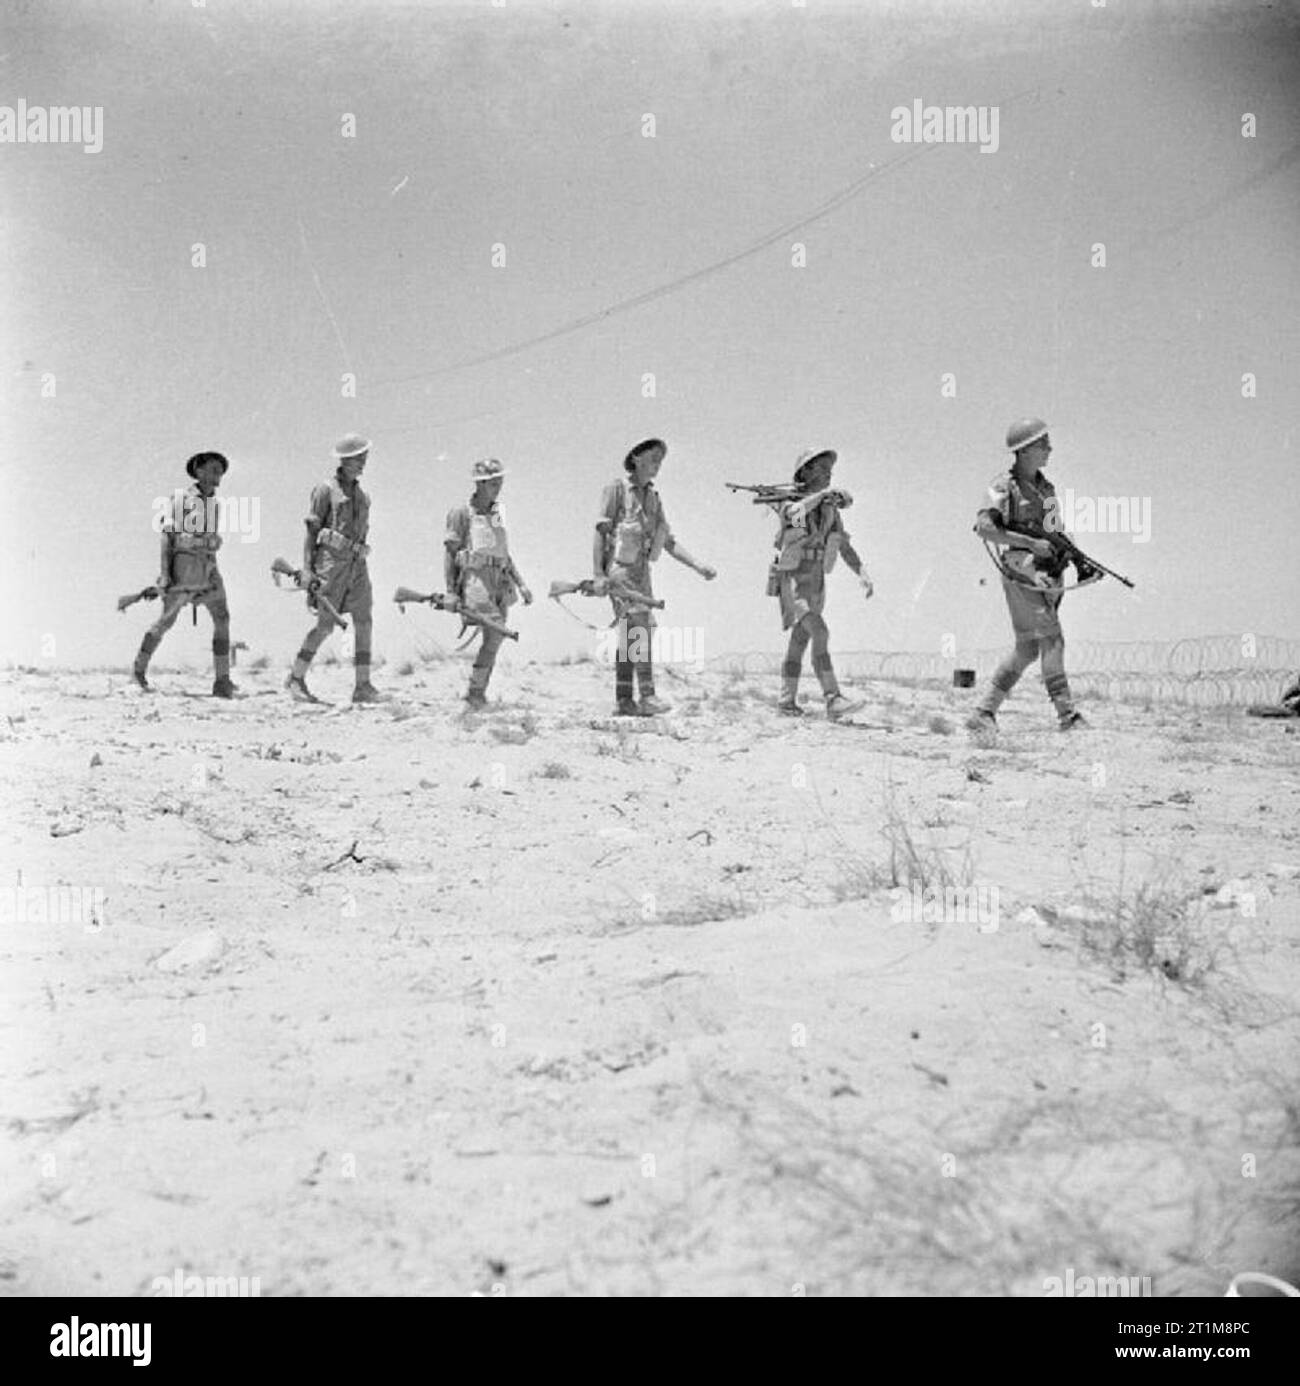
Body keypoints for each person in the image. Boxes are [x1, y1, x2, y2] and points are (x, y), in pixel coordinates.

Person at [967, 418, 1086, 734]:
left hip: (1046, 574)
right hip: (1021, 572)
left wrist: (1073, 555)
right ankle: (1067, 716)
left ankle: (984, 712)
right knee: (1052, 639)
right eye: (1042, 443)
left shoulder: (1046, 488)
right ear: (1024, 450)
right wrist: (1030, 543)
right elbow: (985, 528)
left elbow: (1054, 528)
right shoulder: (1002, 487)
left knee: (1027, 649)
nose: (1049, 448)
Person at [594, 438, 715, 716]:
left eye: (660, 461)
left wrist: (698, 565)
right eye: (651, 460)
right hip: (620, 572)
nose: (656, 466)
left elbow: (668, 541)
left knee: (630, 636)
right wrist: (598, 575)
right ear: (635, 458)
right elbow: (600, 532)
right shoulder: (616, 490)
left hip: (642, 575)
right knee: (640, 629)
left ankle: (624, 699)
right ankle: (647, 696)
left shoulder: (653, 498)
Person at [771, 448, 873, 719]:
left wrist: (862, 572)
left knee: (800, 640)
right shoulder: (790, 501)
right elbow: (793, 515)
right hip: (793, 580)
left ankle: (786, 701)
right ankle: (833, 697)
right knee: (820, 631)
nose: (828, 473)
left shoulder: (828, 511)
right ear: (804, 473)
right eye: (821, 468)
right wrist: (822, 496)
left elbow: (843, 546)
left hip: (815, 581)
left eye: (830, 469)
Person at [286, 434, 383, 704]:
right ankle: (296, 678)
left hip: (357, 566)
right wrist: (307, 569)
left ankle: (363, 685)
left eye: (364, 458)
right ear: (344, 460)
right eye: (357, 458)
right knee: (325, 626)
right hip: (330, 565)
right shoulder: (325, 490)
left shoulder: (363, 496)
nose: (362, 463)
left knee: (364, 621)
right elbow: (312, 531)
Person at [132, 451, 235, 697]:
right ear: (198, 471)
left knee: (222, 617)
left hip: (208, 569)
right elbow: (167, 536)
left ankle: (222, 680)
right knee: (166, 621)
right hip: (184, 569)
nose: (217, 473)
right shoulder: (181, 499)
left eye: (220, 469)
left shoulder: (214, 504)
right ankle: (137, 672)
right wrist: (165, 575)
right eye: (212, 468)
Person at [443, 458, 532, 709]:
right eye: (493, 482)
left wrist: (522, 584)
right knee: (495, 632)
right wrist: (450, 591)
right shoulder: (461, 512)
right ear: (480, 483)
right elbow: (450, 552)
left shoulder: (496, 514)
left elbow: (503, 552)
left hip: (500, 582)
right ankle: (475, 693)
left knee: (496, 636)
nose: (498, 486)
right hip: (476, 579)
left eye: (500, 481)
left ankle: (477, 693)